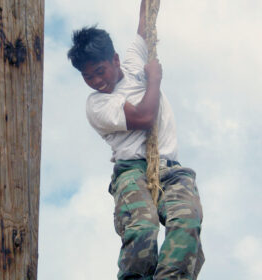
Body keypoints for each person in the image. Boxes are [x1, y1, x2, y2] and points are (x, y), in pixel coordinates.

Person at [67, 1, 204, 279]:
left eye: (100, 71)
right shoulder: (98, 104)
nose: (96, 81)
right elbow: (144, 118)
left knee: (187, 223)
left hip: (171, 169)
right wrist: (154, 80)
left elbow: (145, 24)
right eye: (87, 76)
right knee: (142, 228)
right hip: (132, 172)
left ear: (115, 60)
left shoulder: (132, 63)